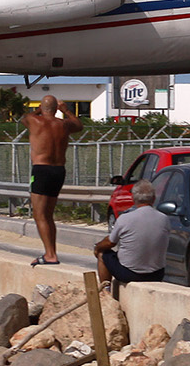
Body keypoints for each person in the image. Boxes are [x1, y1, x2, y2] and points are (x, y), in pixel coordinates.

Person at [24, 95, 82, 266]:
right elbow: (79, 125)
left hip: (41, 169)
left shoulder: (34, 120)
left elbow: (23, 119)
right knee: (48, 215)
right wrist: (65, 111)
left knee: (39, 214)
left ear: (41, 108)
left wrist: (40, 109)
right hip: (58, 170)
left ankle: (50, 254)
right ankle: (51, 252)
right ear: (56, 109)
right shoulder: (63, 125)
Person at [94, 180, 170, 291]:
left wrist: (97, 247)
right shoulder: (164, 219)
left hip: (129, 273)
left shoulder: (125, 218)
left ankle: (106, 290)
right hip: (156, 274)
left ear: (133, 199)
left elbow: (110, 242)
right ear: (153, 199)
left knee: (103, 254)